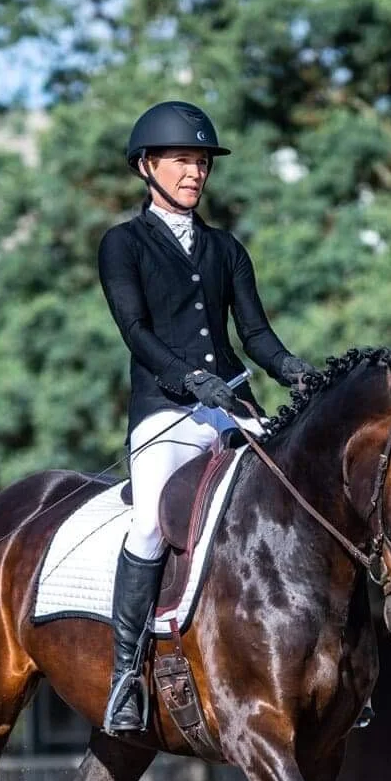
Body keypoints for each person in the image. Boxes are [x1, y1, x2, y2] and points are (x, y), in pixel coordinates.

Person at [96, 101, 313, 735]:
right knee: (146, 528)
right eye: (183, 161)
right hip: (167, 411)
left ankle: (324, 656)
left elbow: (255, 334)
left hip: (231, 409)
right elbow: (135, 330)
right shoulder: (123, 244)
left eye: (201, 163)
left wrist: (296, 370)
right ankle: (125, 678)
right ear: (147, 166)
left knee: (298, 502)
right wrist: (186, 378)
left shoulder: (225, 248)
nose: (195, 173)